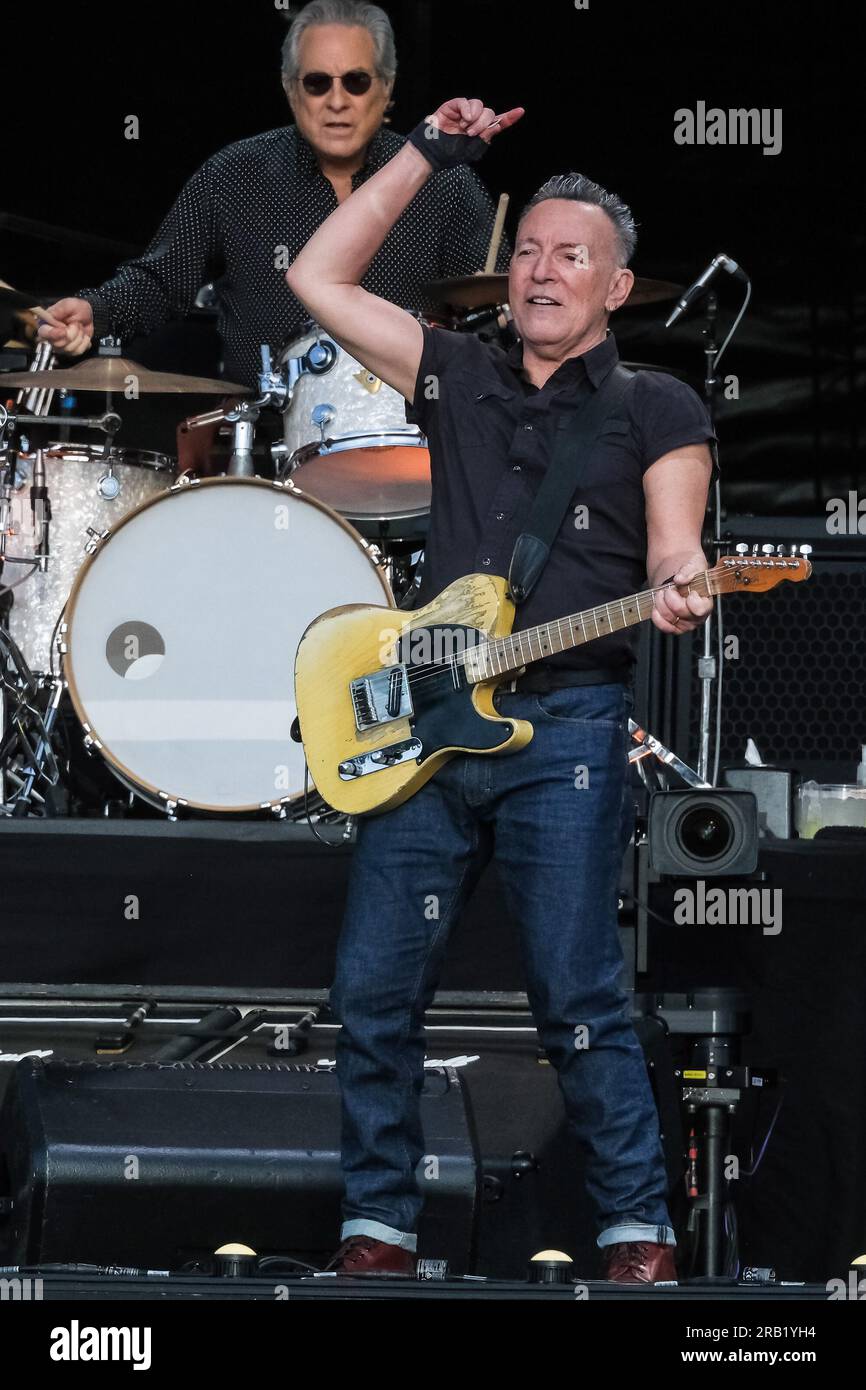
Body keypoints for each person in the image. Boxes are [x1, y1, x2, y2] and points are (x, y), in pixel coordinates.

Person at [286, 95, 715, 1283]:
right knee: (372, 989)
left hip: (564, 726)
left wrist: (682, 586)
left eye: (569, 256)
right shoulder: (458, 372)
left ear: (614, 289)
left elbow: (675, 549)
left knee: (576, 989)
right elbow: (318, 278)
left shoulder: (655, 405)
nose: (539, 270)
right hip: (427, 721)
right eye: (526, 249)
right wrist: (423, 155)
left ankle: (635, 1230)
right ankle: (377, 1226)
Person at [35, 1, 508, 391]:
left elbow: (495, 303)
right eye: (318, 82)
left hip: (417, 437)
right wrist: (96, 312)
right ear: (289, 89)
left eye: (357, 82)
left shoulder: (444, 182)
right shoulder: (233, 175)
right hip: (266, 443)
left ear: (387, 91)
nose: (337, 101)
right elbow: (160, 281)